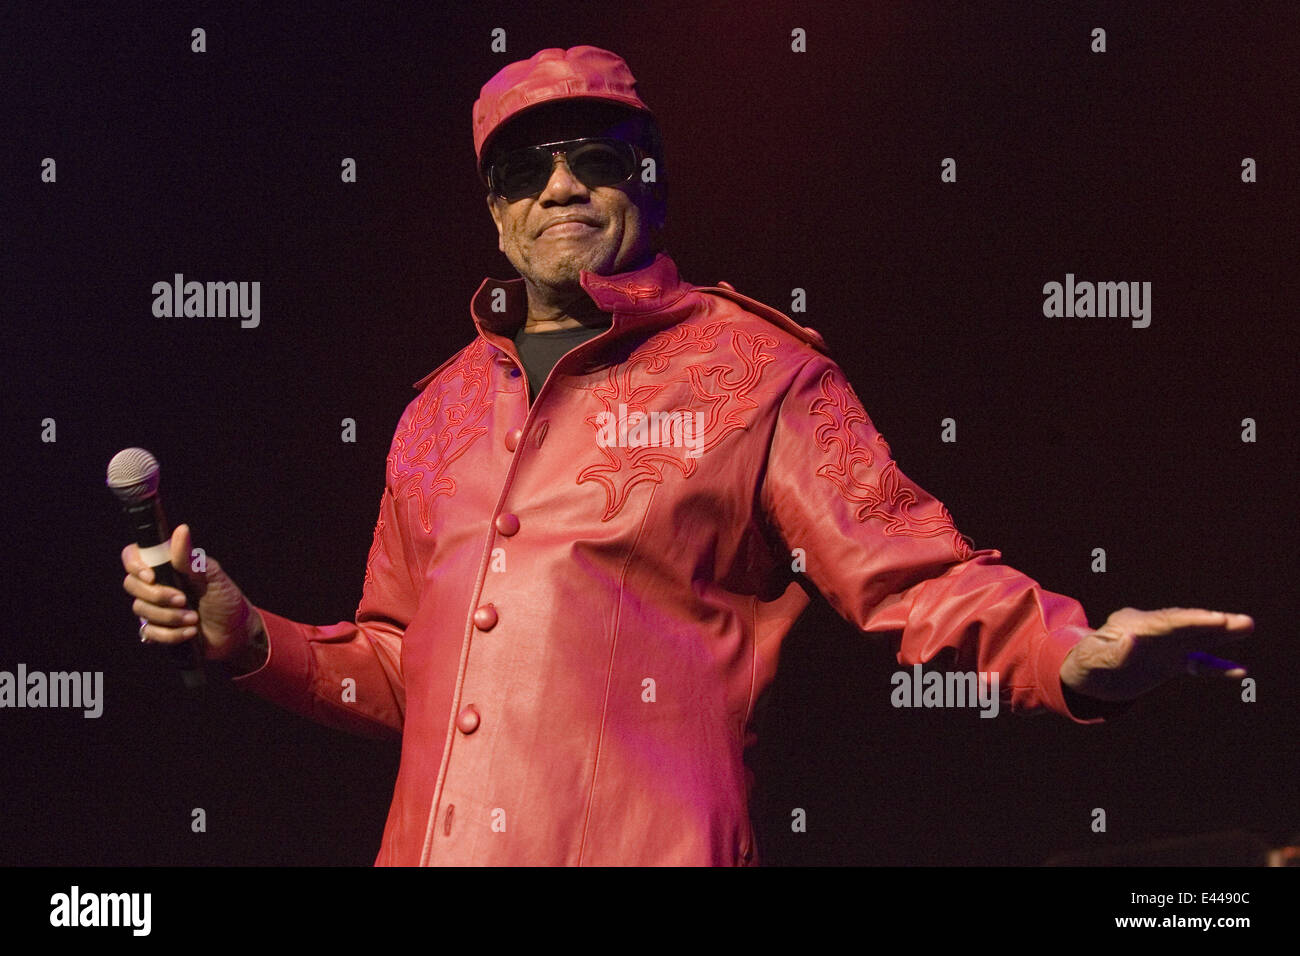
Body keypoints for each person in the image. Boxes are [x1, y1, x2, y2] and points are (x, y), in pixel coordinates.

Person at [120, 45, 1253, 866]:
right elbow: (408, 671)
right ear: (495, 211)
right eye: (523, 170)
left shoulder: (757, 370)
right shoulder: (437, 410)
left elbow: (914, 574)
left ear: (649, 177)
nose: (560, 186)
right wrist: (253, 637)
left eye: (594, 157)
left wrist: (1073, 652)